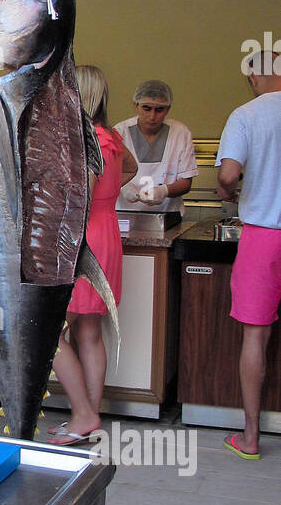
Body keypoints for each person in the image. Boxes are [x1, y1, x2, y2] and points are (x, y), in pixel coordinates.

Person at [48, 66, 137, 445]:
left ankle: (83, 414)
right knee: (89, 331)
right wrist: (109, 196)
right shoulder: (112, 136)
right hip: (106, 234)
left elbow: (75, 198)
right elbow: (129, 167)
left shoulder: (82, 140)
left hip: (80, 239)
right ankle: (90, 417)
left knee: (49, 331)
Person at [216, 47, 281, 460]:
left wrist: (229, 192)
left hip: (264, 235)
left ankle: (250, 438)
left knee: (255, 336)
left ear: (253, 77)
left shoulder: (246, 115)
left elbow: (227, 174)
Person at [115, 80, 197, 215]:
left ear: (168, 109)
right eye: (146, 108)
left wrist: (164, 191)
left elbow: (186, 181)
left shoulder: (180, 133)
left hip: (167, 215)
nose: (152, 116)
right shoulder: (119, 133)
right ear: (136, 105)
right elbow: (105, 176)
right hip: (125, 214)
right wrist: (122, 187)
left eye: (159, 110)